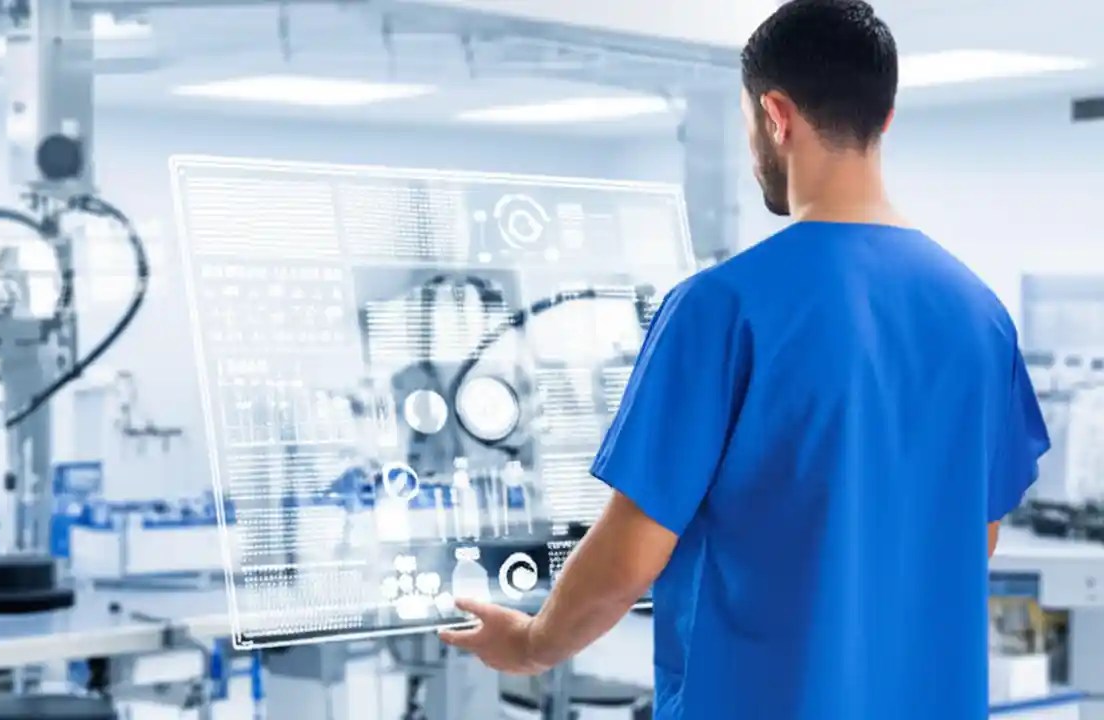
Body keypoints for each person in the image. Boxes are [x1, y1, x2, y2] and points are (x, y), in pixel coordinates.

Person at [438, 1, 1051, 718]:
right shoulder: (981, 316)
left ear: (776, 116)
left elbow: (629, 557)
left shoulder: (721, 307)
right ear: (883, 120)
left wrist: (533, 644)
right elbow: (967, 542)